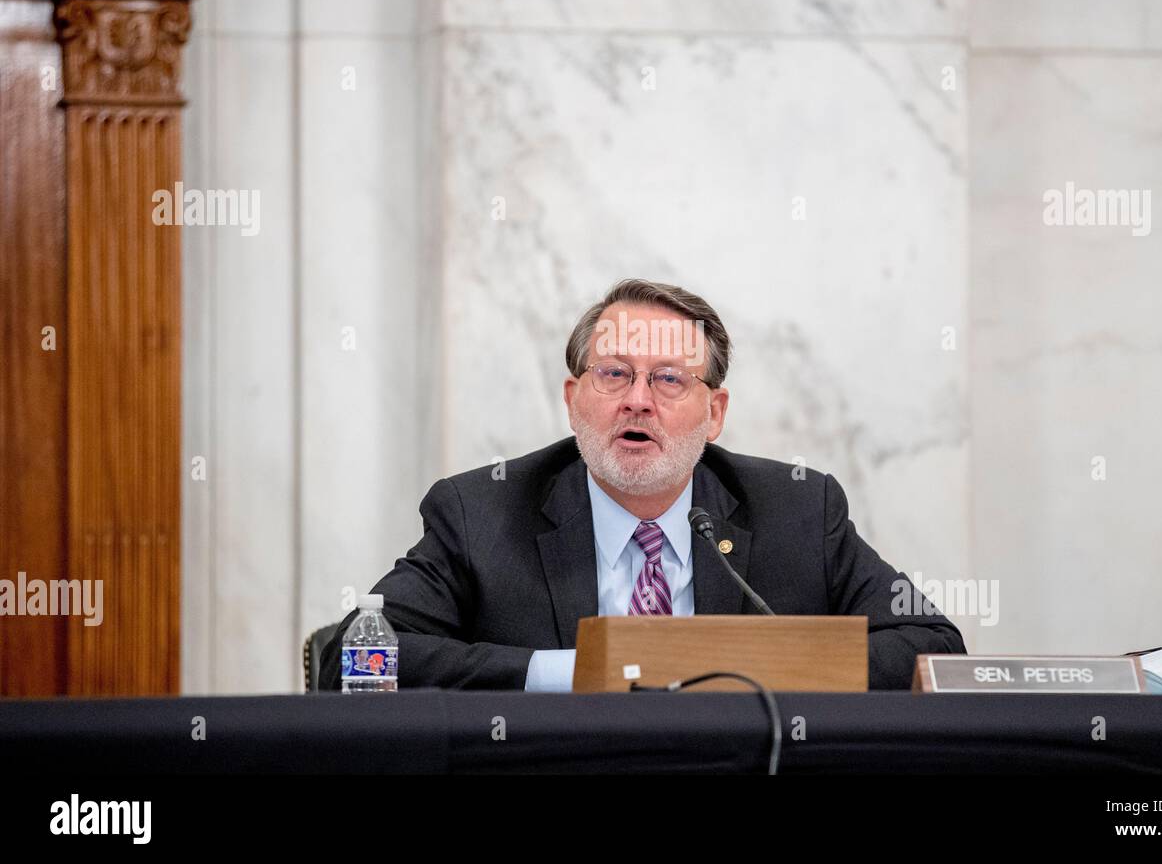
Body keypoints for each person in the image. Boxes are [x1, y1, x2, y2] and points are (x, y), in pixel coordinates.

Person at [319, 279, 965, 691]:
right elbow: (351, 657)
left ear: (714, 414)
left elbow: (934, 645)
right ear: (574, 403)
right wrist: (567, 674)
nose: (637, 402)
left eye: (669, 380)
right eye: (614, 375)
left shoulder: (798, 512)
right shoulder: (481, 515)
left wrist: (758, 670)